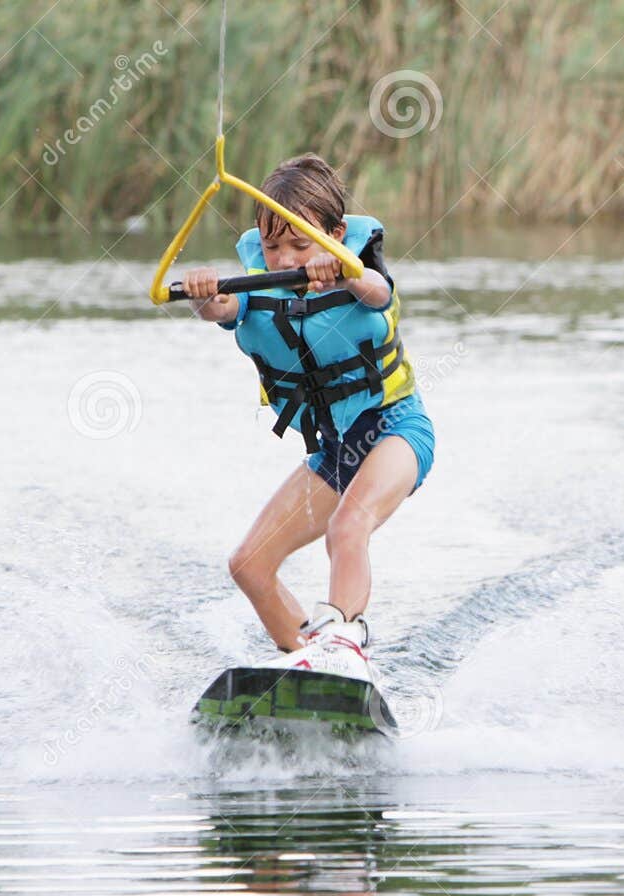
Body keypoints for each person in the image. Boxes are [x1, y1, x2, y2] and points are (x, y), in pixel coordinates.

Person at [181, 154, 434, 682]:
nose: (283, 257)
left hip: (395, 431)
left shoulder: (364, 278)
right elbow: (224, 311)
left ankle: (344, 640)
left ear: (336, 233)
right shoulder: (259, 288)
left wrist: (342, 267)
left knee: (347, 527)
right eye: (272, 246)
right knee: (248, 565)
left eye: (300, 244)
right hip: (333, 452)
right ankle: (307, 669)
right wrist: (205, 295)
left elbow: (377, 291)